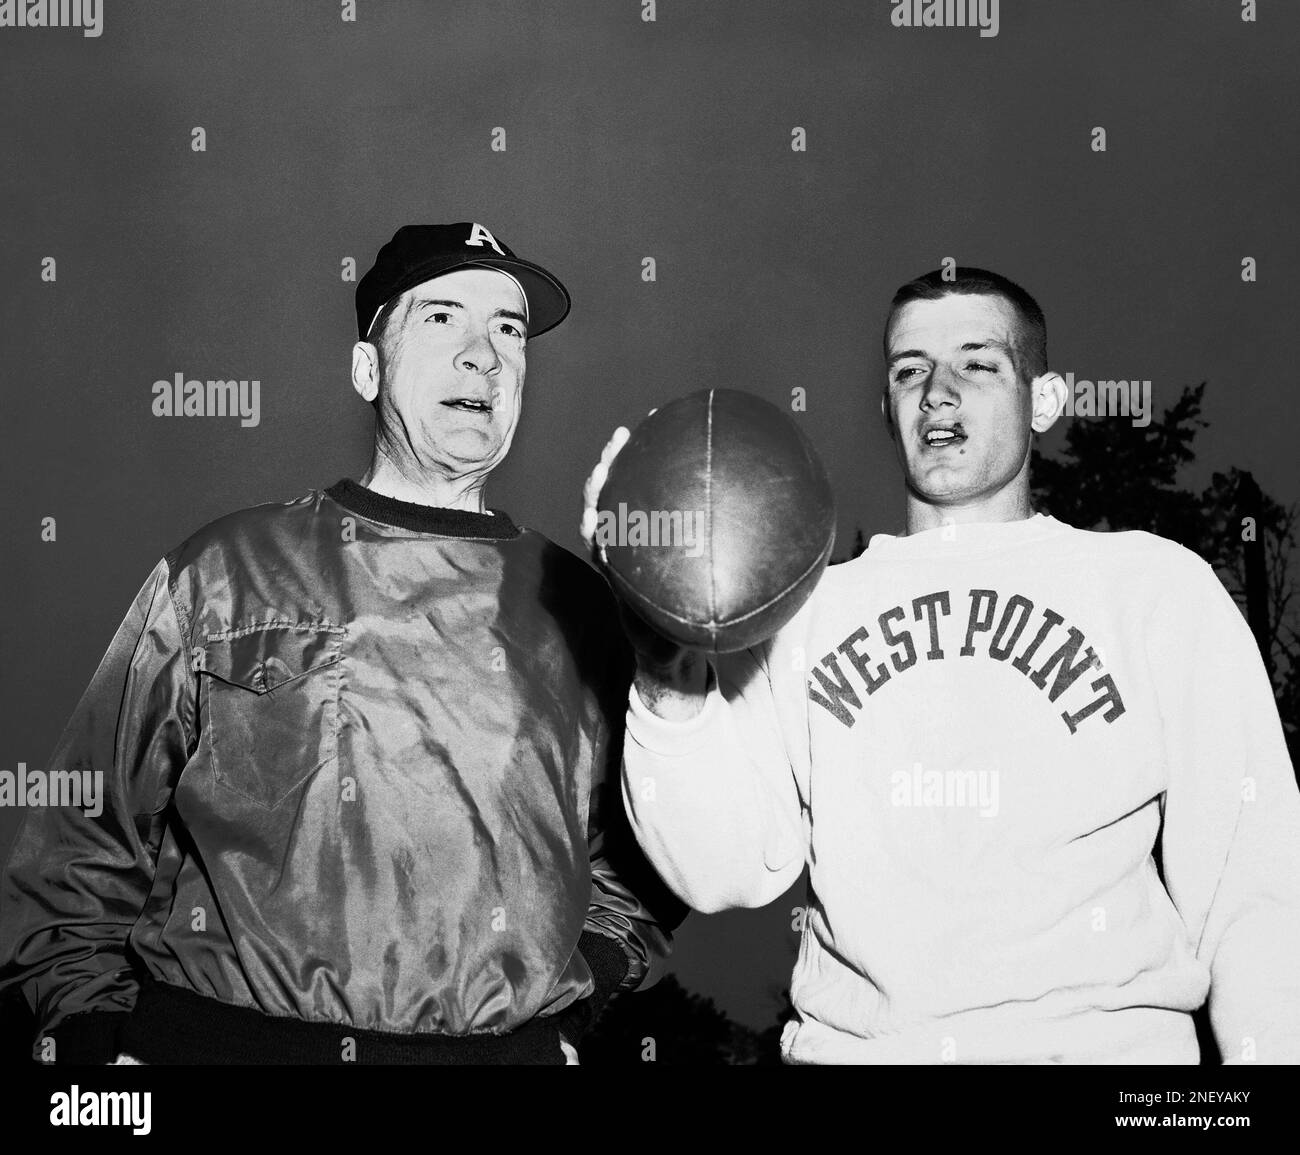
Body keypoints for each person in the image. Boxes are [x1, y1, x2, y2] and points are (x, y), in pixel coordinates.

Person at [1, 222, 680, 1065]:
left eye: (508, 329)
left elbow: (656, 851)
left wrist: (574, 1012)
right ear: (367, 368)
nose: (483, 354)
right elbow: (79, 838)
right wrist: (92, 1042)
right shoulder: (225, 570)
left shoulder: (583, 607)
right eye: (441, 318)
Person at [584, 267, 1300, 1064]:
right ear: (886, 408)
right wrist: (659, 650)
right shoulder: (801, 610)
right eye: (908, 369)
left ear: (1045, 400)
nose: (937, 391)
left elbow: (1253, 883)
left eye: (978, 363)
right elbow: (721, 872)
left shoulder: (1152, 588)